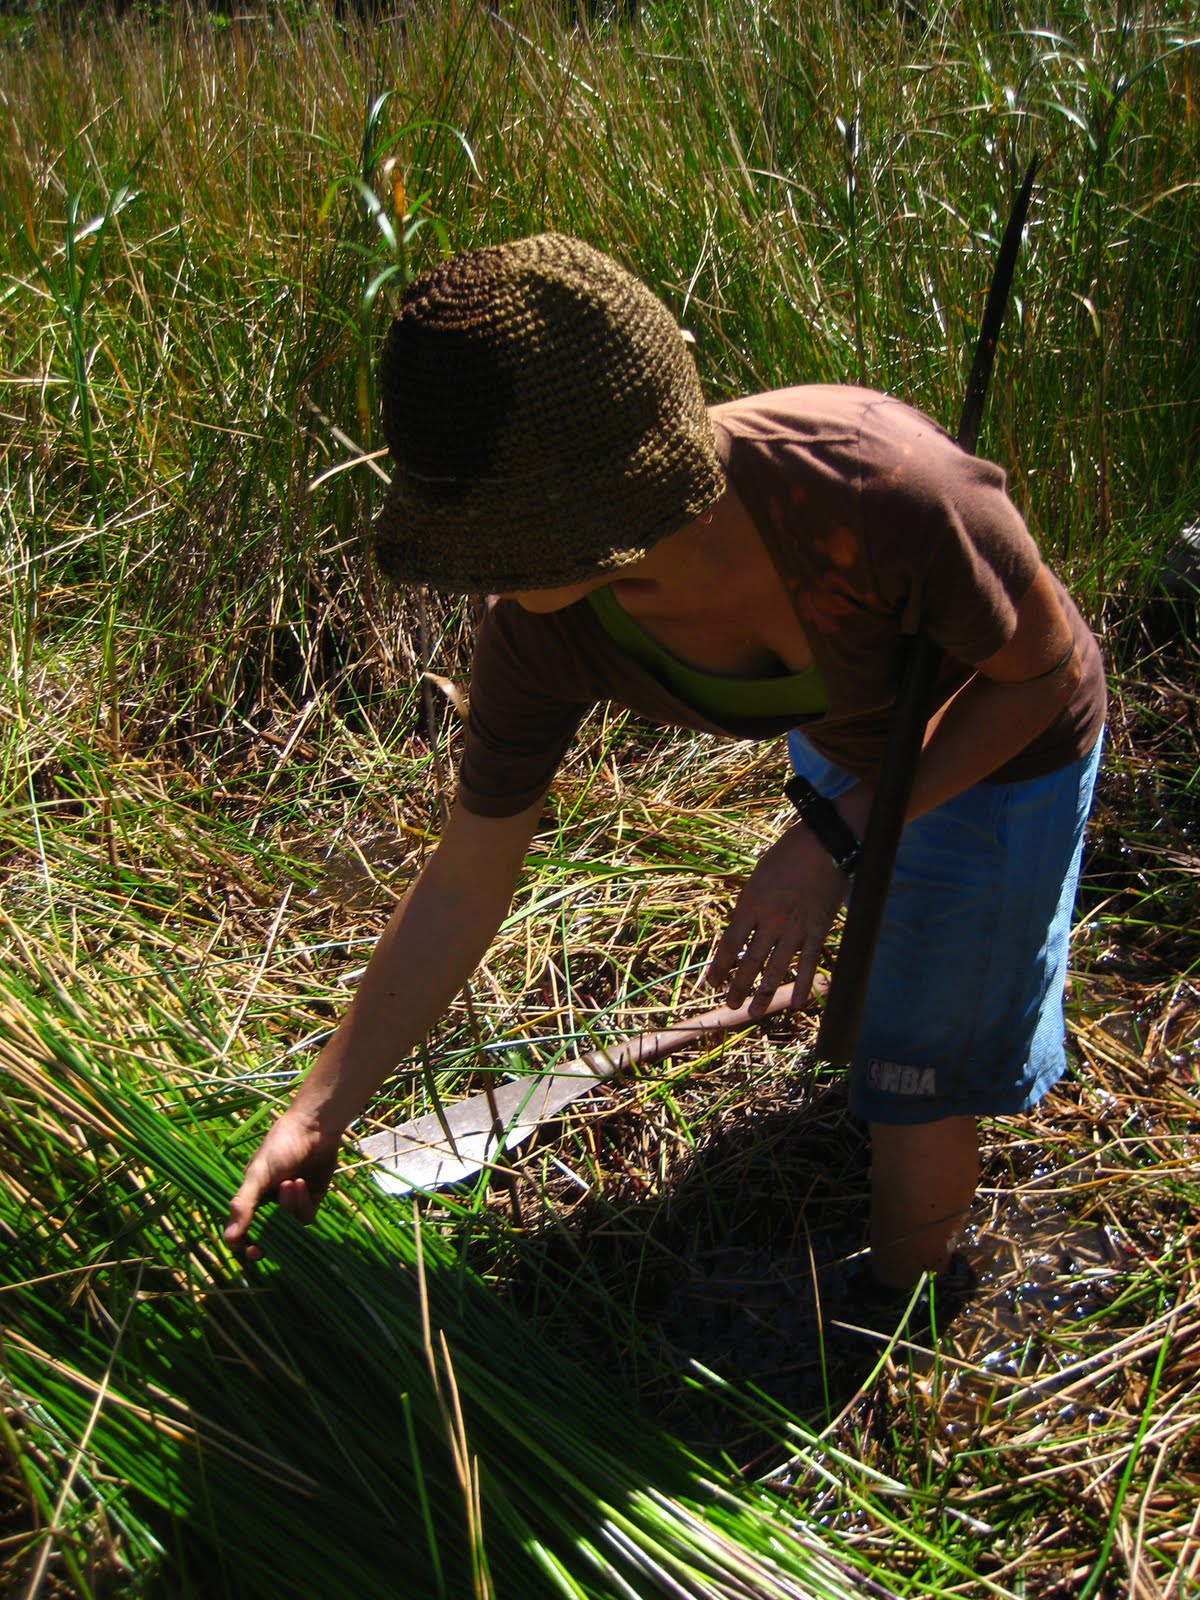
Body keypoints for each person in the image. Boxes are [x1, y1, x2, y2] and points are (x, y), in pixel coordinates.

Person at [225, 233, 1106, 1288]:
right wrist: (318, 1111)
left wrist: (833, 833)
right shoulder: (538, 628)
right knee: (879, 985)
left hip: (1002, 740)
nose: (480, 570)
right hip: (851, 744)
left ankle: (902, 1331)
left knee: (917, 1080)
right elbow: (466, 881)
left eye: (501, 532)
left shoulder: (878, 491)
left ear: (604, 499)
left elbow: (1041, 674)